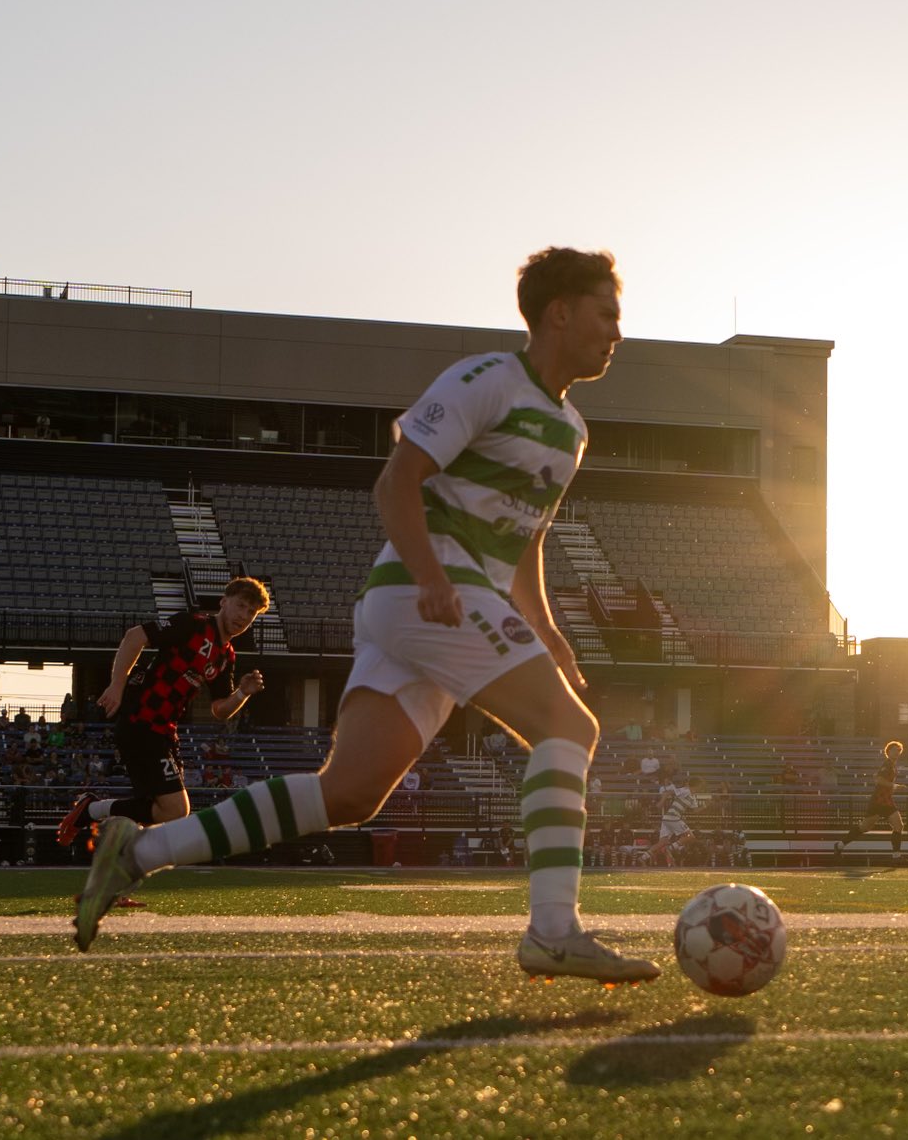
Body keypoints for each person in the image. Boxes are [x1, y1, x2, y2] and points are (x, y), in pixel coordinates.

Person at [75, 248, 656, 983]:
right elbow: (395, 484)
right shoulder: (485, 381)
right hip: (430, 597)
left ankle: (140, 851)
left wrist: (550, 635)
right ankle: (553, 931)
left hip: (438, 605)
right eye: (607, 313)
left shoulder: (570, 430)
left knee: (348, 792)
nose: (617, 331)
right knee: (570, 727)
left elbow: (526, 543)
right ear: (560, 312)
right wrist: (431, 578)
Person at [56, 579, 270, 846]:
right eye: (240, 605)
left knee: (165, 811)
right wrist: (117, 685)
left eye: (251, 612)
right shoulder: (194, 624)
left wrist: (242, 693)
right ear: (223, 602)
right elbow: (135, 636)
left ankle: (100, 822)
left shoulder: (226, 655)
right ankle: (96, 816)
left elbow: (219, 709)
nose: (244, 616)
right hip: (142, 721)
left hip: (165, 731)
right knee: (176, 809)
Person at [834, 740, 907, 859]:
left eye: (899, 751)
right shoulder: (887, 764)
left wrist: (892, 788)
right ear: (888, 752)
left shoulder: (893, 766)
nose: (897, 753)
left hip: (886, 801)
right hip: (878, 801)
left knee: (899, 826)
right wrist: (894, 786)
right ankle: (840, 845)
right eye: (894, 750)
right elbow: (878, 780)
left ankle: (897, 856)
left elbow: (883, 782)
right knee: (865, 827)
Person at [643, 771, 700, 865]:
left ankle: (643, 857)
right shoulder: (686, 790)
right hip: (673, 817)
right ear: (698, 786)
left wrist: (706, 806)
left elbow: (695, 810)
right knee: (690, 836)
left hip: (668, 818)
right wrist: (661, 802)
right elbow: (668, 792)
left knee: (662, 842)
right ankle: (669, 848)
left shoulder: (692, 797)